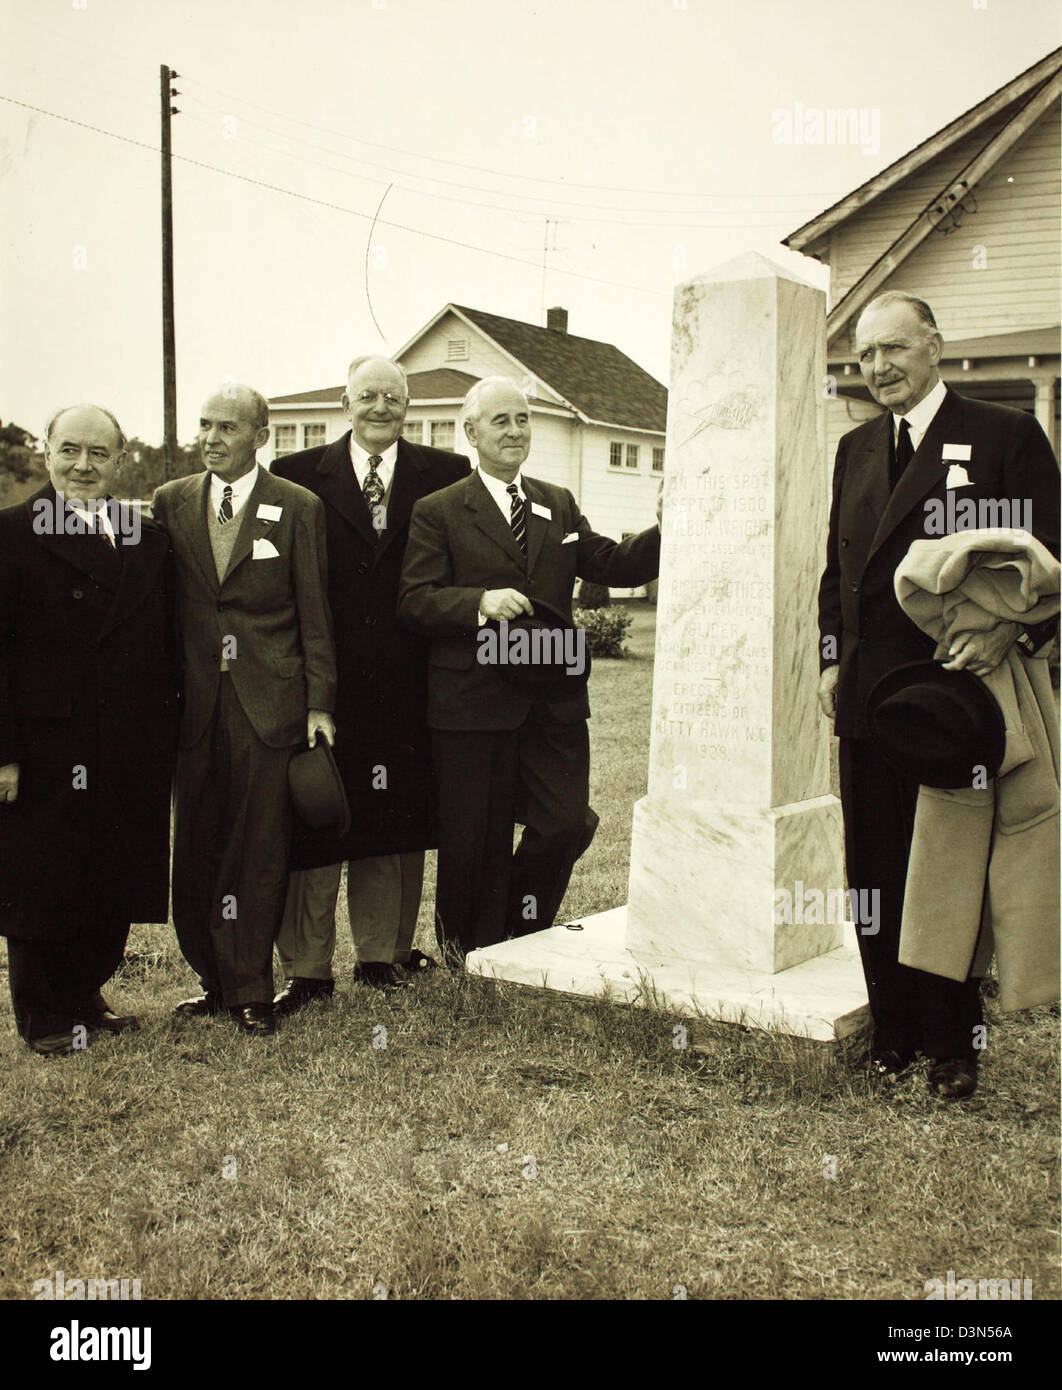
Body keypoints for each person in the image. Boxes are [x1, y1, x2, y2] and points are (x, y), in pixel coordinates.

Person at [817, 291, 1060, 1099]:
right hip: (867, 699)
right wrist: (828, 660)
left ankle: (953, 1044)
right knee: (876, 872)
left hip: (954, 697)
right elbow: (836, 575)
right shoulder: (853, 448)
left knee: (948, 869)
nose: (880, 367)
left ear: (935, 345)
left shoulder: (1002, 435)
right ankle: (892, 1032)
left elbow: (1051, 557)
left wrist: (1014, 634)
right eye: (866, 355)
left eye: (895, 348)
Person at [398, 376, 661, 958]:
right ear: (471, 433)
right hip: (473, 697)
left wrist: (665, 529)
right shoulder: (439, 511)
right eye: (501, 421)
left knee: (564, 822)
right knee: (475, 834)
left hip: (551, 691)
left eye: (522, 419)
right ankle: (470, 947)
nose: (515, 431)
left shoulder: (556, 501)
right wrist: (478, 603)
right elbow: (415, 600)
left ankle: (520, 928)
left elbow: (610, 563)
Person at [270, 357, 470, 1003]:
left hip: (412, 683)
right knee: (318, 816)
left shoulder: (444, 475)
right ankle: (308, 969)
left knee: (395, 820)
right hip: (324, 680)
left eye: (392, 396)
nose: (380, 406)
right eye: (367, 395)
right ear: (344, 402)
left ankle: (383, 956)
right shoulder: (296, 477)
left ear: (408, 404)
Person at [153, 383, 336, 1036]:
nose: (211, 438)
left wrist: (319, 702)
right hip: (195, 706)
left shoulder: (297, 506)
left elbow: (315, 610)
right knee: (195, 846)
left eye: (227, 427)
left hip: (270, 705)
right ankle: (211, 979)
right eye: (205, 425)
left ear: (261, 435)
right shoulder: (171, 501)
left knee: (258, 851)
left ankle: (251, 988)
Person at [0, 405, 178, 1054]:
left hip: (127, 740)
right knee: (45, 876)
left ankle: (86, 998)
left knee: (111, 870)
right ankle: (45, 1015)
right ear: (46, 452)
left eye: (97, 454)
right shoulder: (11, 534)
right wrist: (5, 755)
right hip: (49, 742)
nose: (82, 465)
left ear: (119, 458)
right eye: (69, 450)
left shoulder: (144, 536)